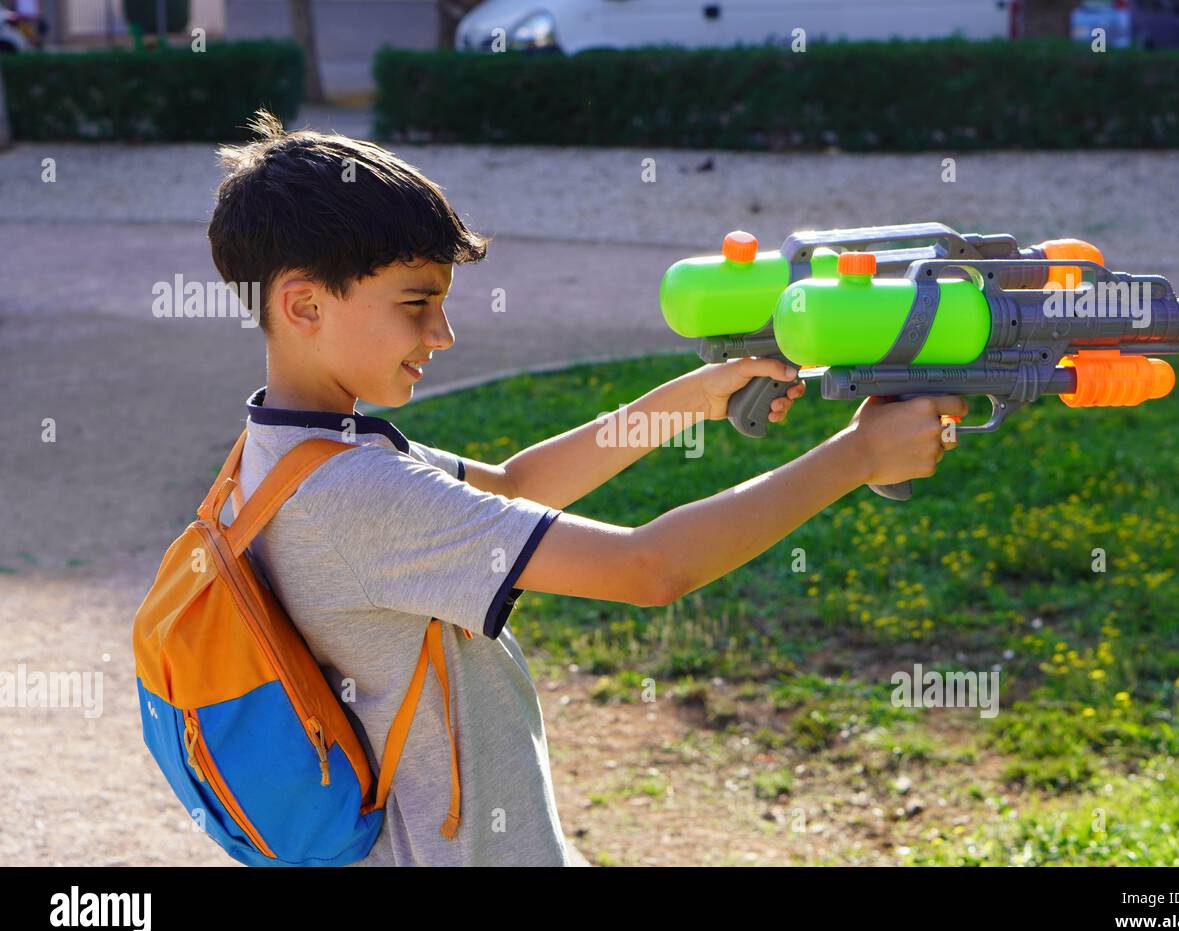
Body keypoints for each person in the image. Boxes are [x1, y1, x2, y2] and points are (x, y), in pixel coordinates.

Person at [207, 109, 963, 866]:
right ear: (305, 304)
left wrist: (691, 398)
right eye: (416, 304)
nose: (443, 335)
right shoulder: (356, 494)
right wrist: (858, 455)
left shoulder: (283, 452)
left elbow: (517, 485)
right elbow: (650, 568)